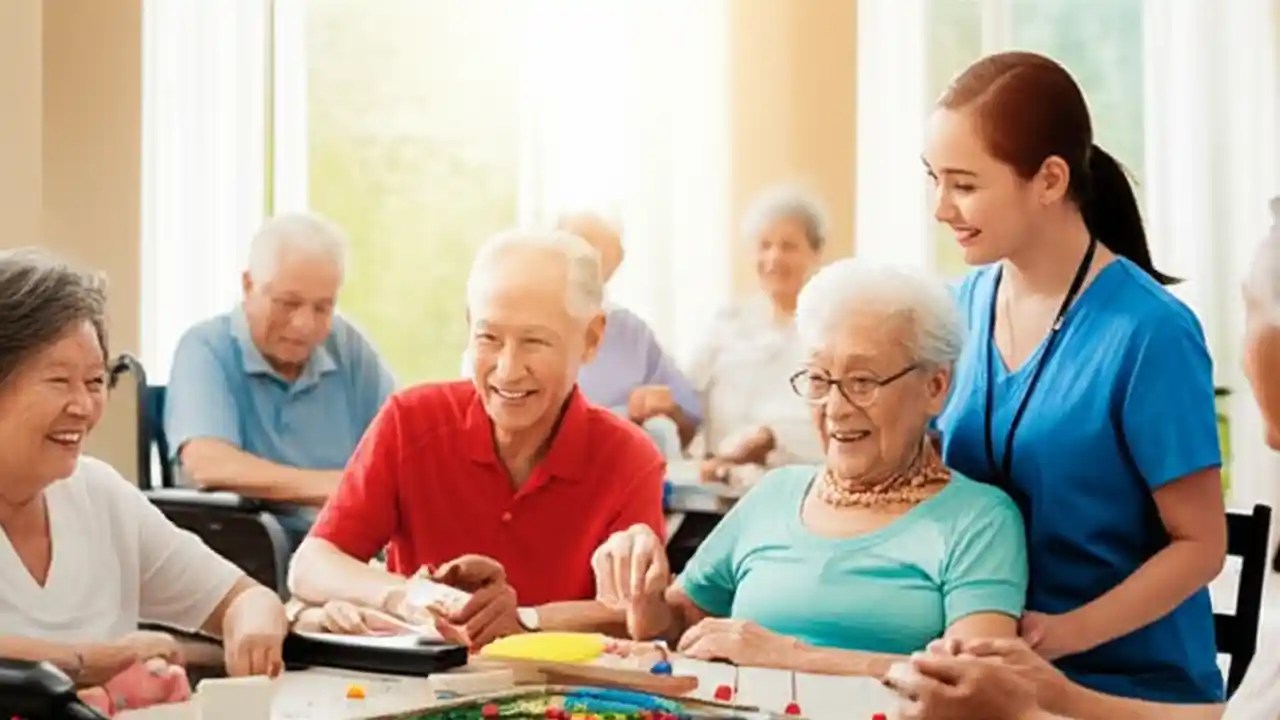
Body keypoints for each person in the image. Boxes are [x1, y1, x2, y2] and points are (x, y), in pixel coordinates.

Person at [925, 51, 1227, 703]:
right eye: (932, 179)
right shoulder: (952, 311)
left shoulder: (1151, 333)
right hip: (984, 671)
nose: (940, 207)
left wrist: (1058, 636)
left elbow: (1202, 545)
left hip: (1126, 688)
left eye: (964, 184)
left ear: (1050, 179)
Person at [589, 258, 1027, 676]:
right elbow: (679, 624)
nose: (835, 408)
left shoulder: (979, 519)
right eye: (819, 380)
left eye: (862, 382)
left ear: (935, 387)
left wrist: (791, 656)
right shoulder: (774, 494)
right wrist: (646, 596)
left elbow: (976, 682)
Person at [286, 230, 666, 649]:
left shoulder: (631, 457)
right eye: (489, 338)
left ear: (591, 339)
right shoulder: (410, 421)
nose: (507, 370)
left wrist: (524, 620)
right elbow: (311, 564)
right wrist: (408, 595)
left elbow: (631, 613)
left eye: (534, 342)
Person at [0, 249, 287, 709]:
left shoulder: (99, 493)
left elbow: (241, 598)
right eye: (59, 381)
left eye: (95, 382)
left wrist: (251, 626)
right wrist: (88, 662)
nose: (84, 406)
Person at [165, 212, 396, 549]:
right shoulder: (205, 347)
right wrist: (342, 488)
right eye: (288, 303)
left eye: (322, 308)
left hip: (348, 548)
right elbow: (207, 464)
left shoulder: (347, 346)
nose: (304, 324)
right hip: (253, 551)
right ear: (248, 286)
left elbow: (403, 446)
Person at [461, 209, 702, 458]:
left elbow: (689, 420)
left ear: (616, 261)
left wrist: (668, 408)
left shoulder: (632, 333)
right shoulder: (499, 322)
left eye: (597, 255)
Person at [686, 186, 829, 487]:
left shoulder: (830, 329)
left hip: (799, 487)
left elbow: (836, 418)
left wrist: (771, 437)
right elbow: (687, 395)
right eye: (764, 245)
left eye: (788, 246)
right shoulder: (728, 321)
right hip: (719, 489)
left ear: (815, 253)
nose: (773, 257)